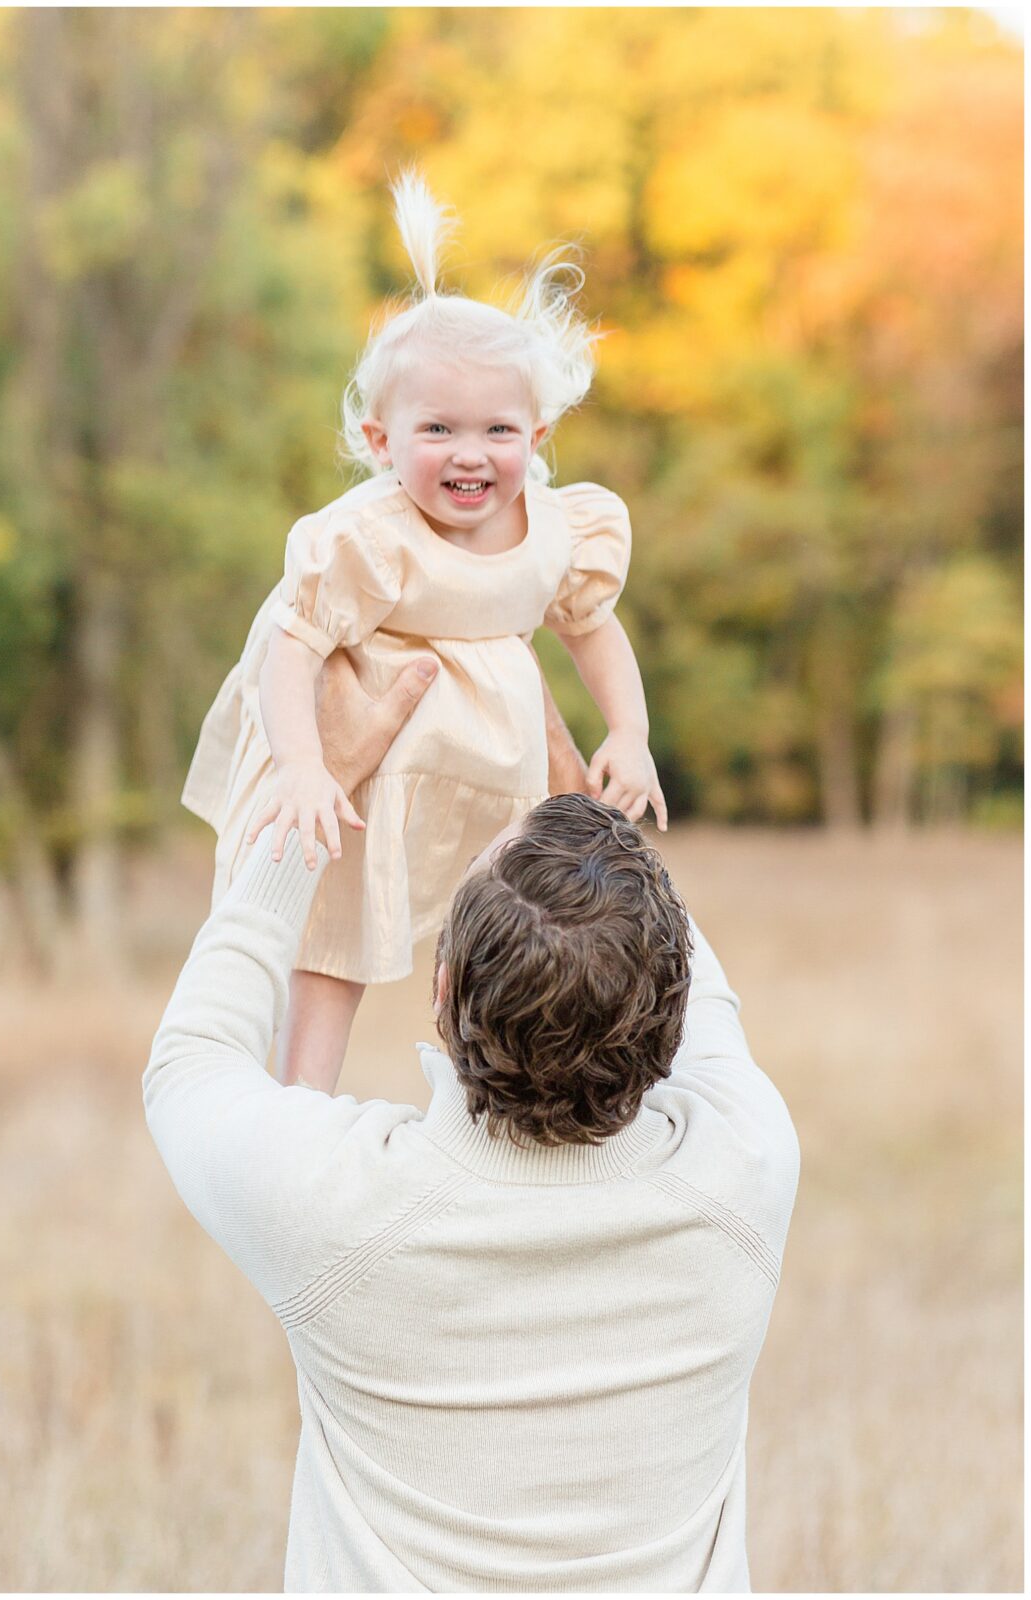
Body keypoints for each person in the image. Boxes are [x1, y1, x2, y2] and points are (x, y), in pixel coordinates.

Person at [146, 650, 800, 1595]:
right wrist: (587, 809)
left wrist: (307, 799)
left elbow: (189, 1064)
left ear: (443, 988)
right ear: (667, 1008)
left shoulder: (344, 1211)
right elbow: (690, 984)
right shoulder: (743, 1173)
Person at [181, 169, 666, 1088]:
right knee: (334, 943)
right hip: (375, 771)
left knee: (499, 943)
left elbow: (592, 627)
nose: (471, 453)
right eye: (437, 427)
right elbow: (293, 646)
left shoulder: (563, 527)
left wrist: (630, 734)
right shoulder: (368, 538)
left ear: (540, 431)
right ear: (379, 440)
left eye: (499, 430)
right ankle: (303, 1098)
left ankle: (488, 1094)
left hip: (491, 774)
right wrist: (300, 764)